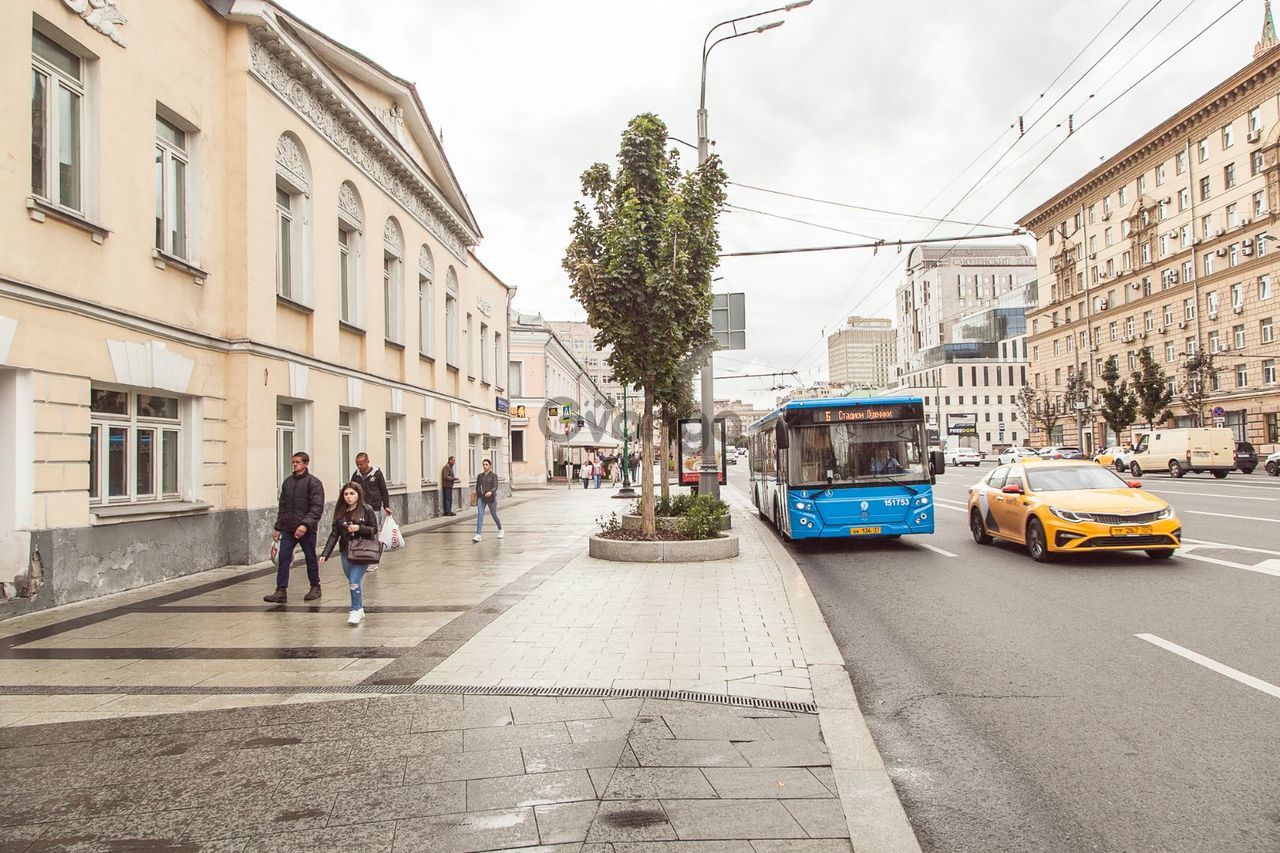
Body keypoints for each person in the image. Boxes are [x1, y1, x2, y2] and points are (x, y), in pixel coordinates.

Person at [264, 451, 325, 604]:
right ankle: (281, 590)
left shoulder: (314, 483)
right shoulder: (288, 482)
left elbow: (317, 508)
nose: (295, 465)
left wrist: (305, 525)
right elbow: (283, 506)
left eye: (298, 462)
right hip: (288, 528)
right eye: (293, 462)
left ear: (306, 464)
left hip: (306, 530)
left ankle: (315, 586)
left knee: (310, 557)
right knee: (283, 557)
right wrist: (278, 527)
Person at [319, 481, 379, 625]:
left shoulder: (366, 509)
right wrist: (325, 553)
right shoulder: (340, 511)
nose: (348, 497)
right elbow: (334, 534)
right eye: (346, 494)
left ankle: (355, 610)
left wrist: (359, 528)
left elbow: (374, 529)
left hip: (362, 551)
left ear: (358, 494)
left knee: (353, 581)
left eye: (352, 493)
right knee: (354, 581)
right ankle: (360, 608)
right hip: (346, 551)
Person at [350, 452, 392, 572]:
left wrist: (386, 505)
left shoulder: (377, 474)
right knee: (362, 533)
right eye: (357, 464)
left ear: (368, 462)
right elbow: (351, 490)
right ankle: (364, 557)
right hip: (360, 508)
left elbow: (383, 490)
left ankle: (374, 560)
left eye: (361, 464)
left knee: (373, 533)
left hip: (375, 508)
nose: (359, 467)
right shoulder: (356, 475)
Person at [472, 458, 503, 542]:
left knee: (494, 515)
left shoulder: (494, 475)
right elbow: (477, 487)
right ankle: (478, 535)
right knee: (480, 515)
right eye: (483, 465)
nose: (484, 466)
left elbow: (495, 486)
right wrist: (480, 494)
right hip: (481, 498)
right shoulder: (480, 476)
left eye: (486, 465)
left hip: (491, 498)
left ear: (490, 466)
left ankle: (500, 530)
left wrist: (491, 492)